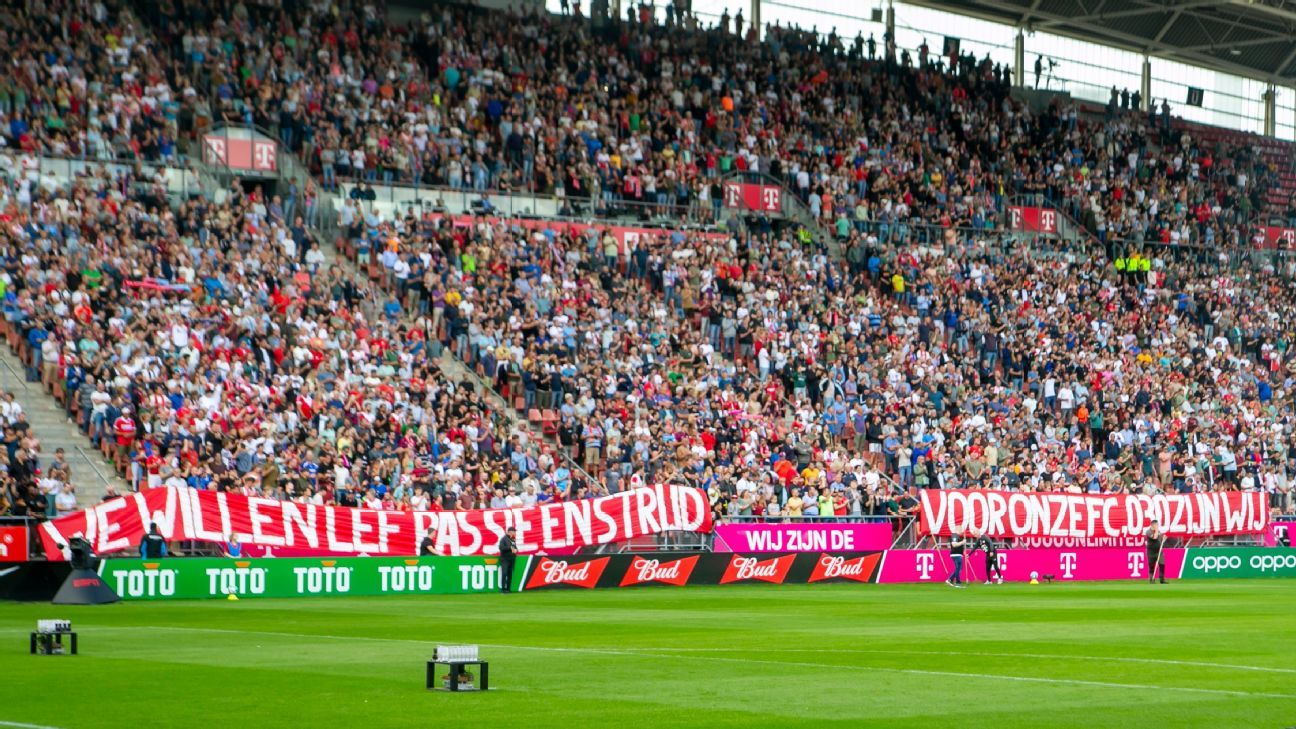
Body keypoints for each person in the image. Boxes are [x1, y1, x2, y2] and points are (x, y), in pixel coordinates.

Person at [497, 526, 518, 593]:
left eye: (515, 532)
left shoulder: (512, 539)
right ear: (509, 532)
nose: (515, 533)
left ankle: (508, 589)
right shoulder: (503, 539)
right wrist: (510, 548)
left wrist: (516, 550)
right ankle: (503, 589)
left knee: (509, 574)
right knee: (504, 573)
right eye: (514, 531)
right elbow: (501, 548)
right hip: (505, 559)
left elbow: (515, 548)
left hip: (511, 559)